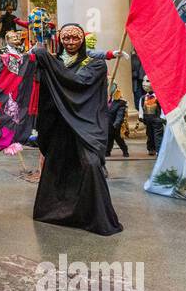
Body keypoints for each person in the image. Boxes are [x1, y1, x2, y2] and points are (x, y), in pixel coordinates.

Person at [14, 21, 123, 235]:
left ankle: (93, 216)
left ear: (82, 40)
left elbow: (76, 82)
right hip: (59, 127)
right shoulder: (53, 62)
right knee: (58, 167)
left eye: (75, 38)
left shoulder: (94, 65)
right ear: (60, 40)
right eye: (66, 38)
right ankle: (56, 211)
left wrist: (46, 59)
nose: (71, 42)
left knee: (90, 164)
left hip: (84, 127)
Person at [140, 75, 166, 156]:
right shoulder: (144, 98)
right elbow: (141, 106)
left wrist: (162, 116)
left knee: (158, 135)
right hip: (148, 119)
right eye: (144, 81)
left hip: (157, 118)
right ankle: (151, 148)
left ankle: (159, 150)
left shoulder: (159, 97)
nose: (144, 84)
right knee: (149, 134)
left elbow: (163, 107)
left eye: (147, 81)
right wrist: (141, 115)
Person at [106, 83, 129, 158]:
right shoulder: (106, 100)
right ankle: (107, 152)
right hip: (108, 125)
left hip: (115, 126)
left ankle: (125, 150)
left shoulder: (120, 103)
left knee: (119, 140)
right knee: (109, 139)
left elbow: (120, 114)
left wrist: (117, 123)